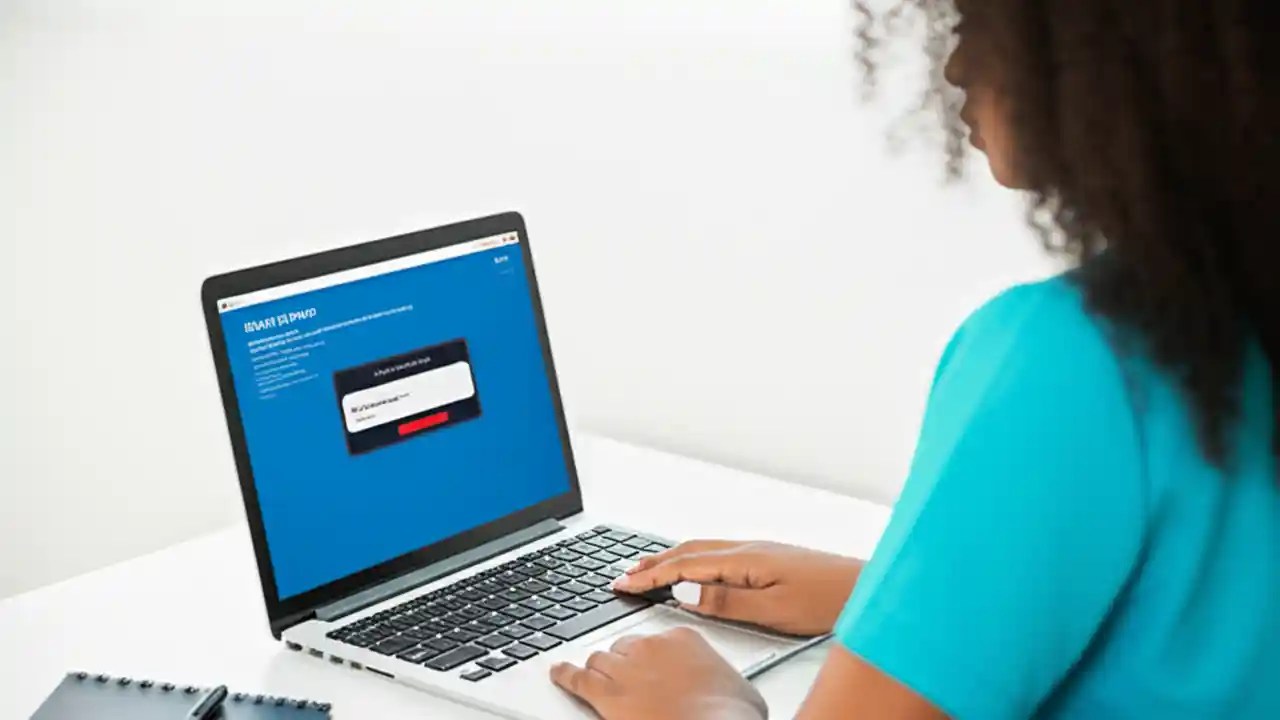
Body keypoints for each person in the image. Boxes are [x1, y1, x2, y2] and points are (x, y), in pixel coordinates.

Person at [547, 0, 1280, 717]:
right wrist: (894, 603)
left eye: (982, 24)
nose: (957, 65)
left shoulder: (1079, 358)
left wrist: (700, 706)